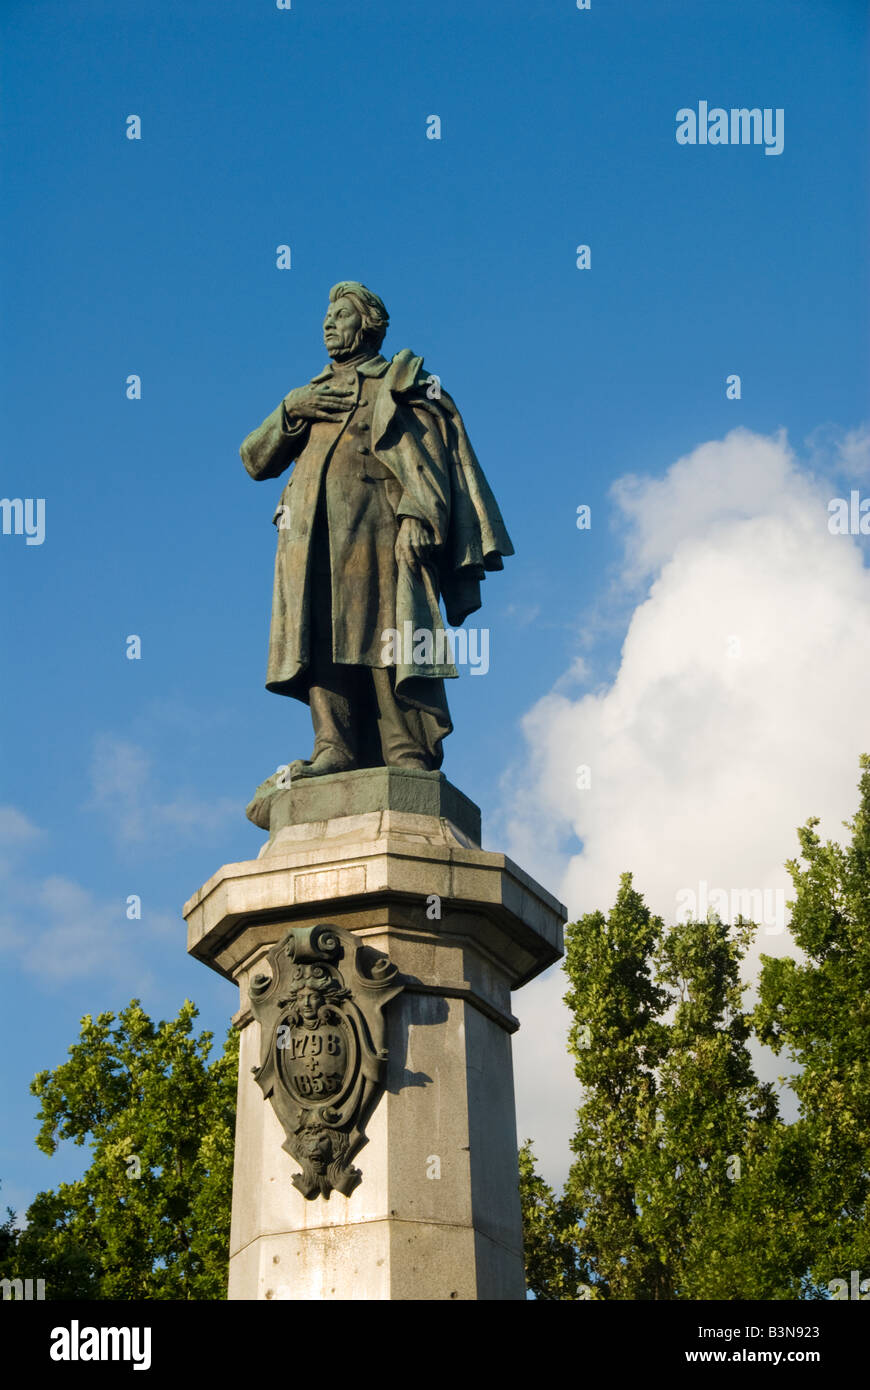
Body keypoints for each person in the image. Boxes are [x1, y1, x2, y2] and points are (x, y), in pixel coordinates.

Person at [240, 281, 513, 778]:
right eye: (326, 316)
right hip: (311, 536)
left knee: (387, 630)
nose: (328, 324)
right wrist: (289, 411)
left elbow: (430, 455)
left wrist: (419, 516)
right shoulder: (309, 394)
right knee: (318, 633)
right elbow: (254, 460)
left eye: (341, 315)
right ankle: (333, 746)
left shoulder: (401, 380)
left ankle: (405, 749)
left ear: (369, 325)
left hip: (379, 531)